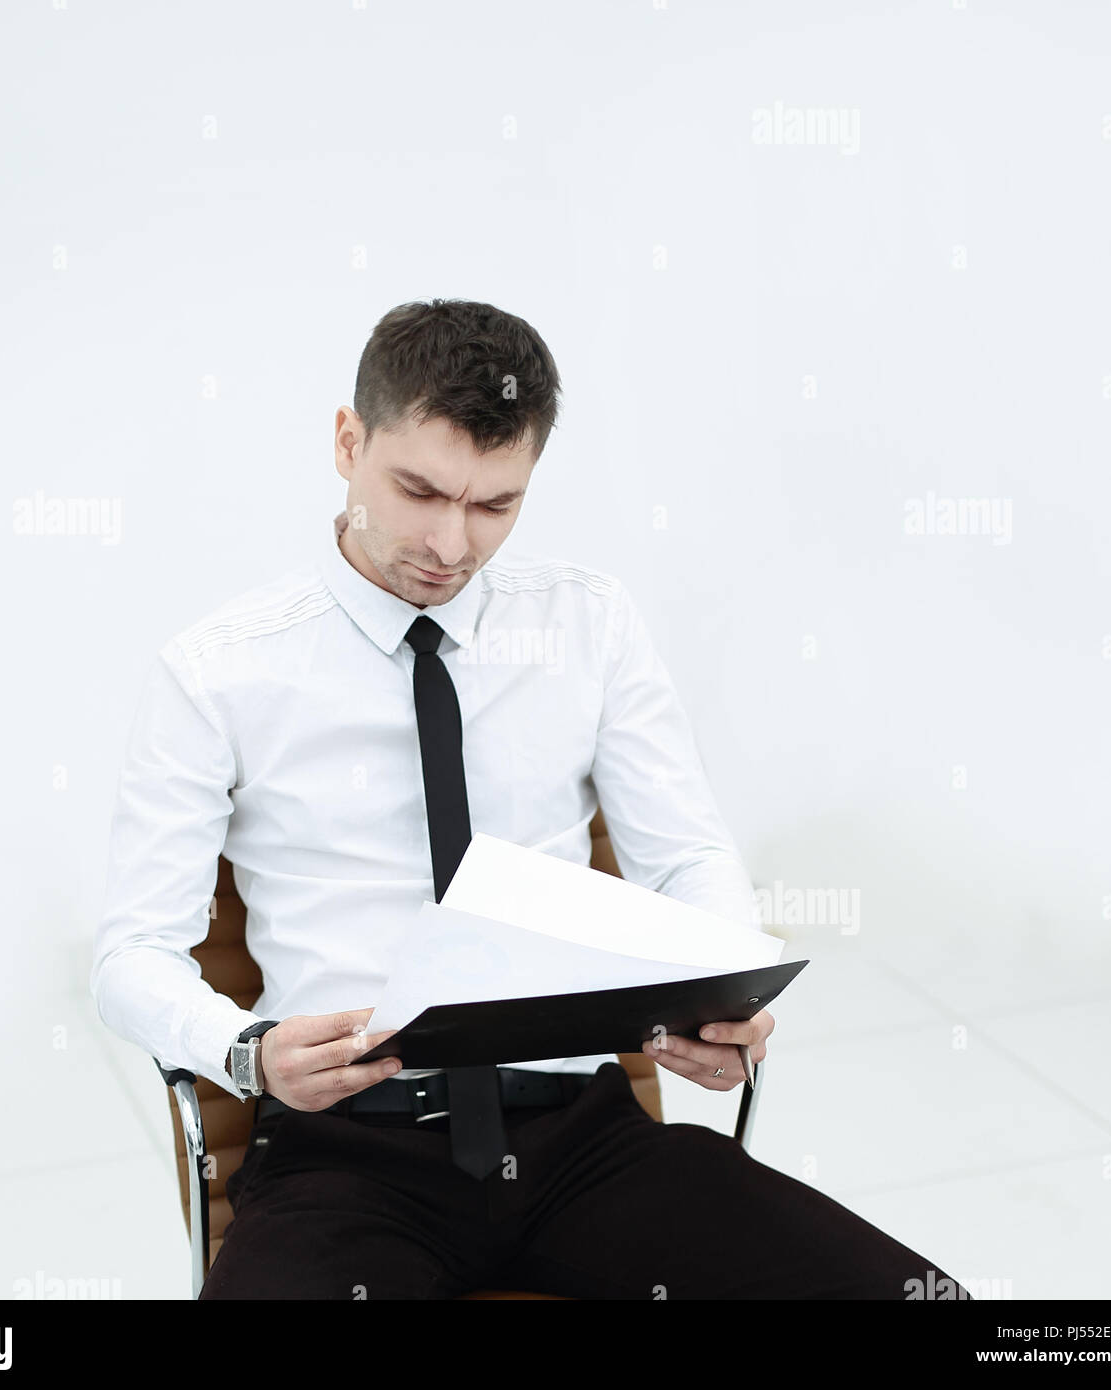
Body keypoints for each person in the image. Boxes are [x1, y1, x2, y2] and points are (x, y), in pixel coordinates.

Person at [91, 297, 970, 1300]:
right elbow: (130, 957)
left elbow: (682, 855)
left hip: (581, 1140)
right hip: (347, 1159)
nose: (449, 544)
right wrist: (246, 1053)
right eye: (418, 489)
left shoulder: (587, 625)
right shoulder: (218, 671)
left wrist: (719, 999)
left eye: (493, 505)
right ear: (346, 441)